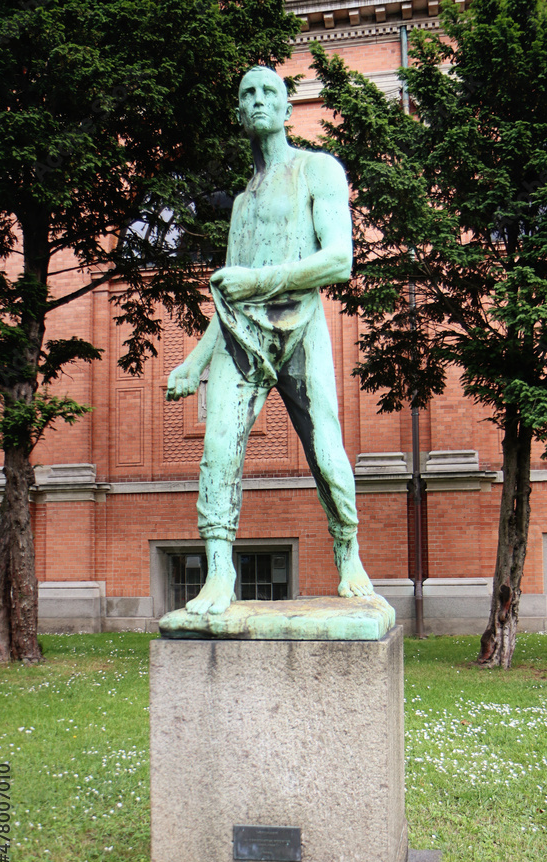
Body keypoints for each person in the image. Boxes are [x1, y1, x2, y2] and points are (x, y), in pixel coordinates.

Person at [166, 65, 373, 614]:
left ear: (287, 109)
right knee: (217, 447)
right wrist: (193, 362)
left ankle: (348, 553)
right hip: (243, 334)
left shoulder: (317, 170)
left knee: (325, 446)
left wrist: (258, 281)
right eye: (247, 94)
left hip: (301, 326)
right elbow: (229, 295)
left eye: (269, 93)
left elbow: (339, 260)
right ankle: (218, 571)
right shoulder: (240, 204)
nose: (258, 101)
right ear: (239, 114)